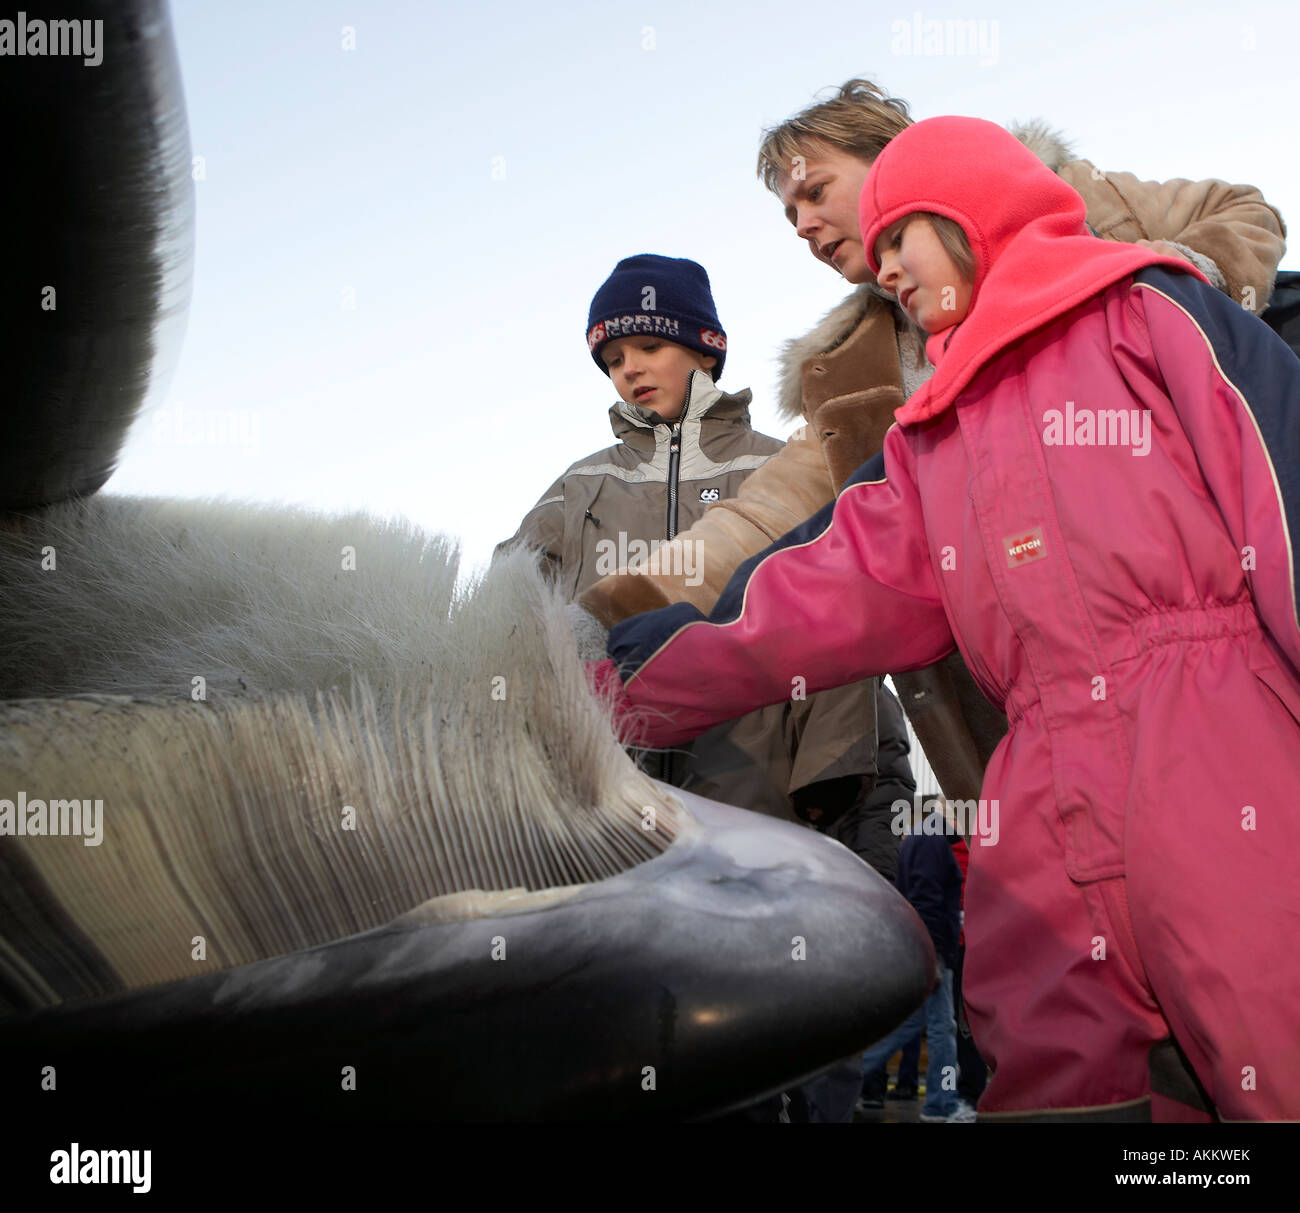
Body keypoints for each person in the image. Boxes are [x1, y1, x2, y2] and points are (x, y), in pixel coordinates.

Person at [591, 115, 1300, 1121]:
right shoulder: (925, 438)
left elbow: (1278, 497)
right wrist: (626, 681)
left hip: (1215, 740)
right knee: (1050, 1065)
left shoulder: (1145, 309)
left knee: (1269, 1029)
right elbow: (815, 584)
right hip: (1033, 783)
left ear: (961, 206)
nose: (879, 269)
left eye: (894, 239)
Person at [573, 78, 1286, 841]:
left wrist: (1146, 301)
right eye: (789, 214)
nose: (803, 224)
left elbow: (1245, 212)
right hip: (1021, 736)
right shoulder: (850, 372)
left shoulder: (1082, 211)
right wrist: (608, 615)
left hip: (1223, 702)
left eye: (814, 192)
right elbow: (776, 522)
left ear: (887, 152)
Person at [499, 254, 873, 823]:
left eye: (650, 348)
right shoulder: (579, 486)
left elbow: (839, 617)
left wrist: (832, 773)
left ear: (706, 349)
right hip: (606, 791)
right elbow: (507, 616)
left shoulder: (782, 467)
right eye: (614, 359)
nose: (629, 369)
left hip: (754, 773)